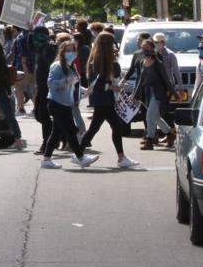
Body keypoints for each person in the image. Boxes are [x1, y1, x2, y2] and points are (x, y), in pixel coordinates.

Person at [39, 37, 100, 170]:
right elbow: (51, 83)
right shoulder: (57, 66)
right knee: (71, 131)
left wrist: (86, 90)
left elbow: (74, 86)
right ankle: (80, 157)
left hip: (66, 104)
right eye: (68, 51)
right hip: (57, 104)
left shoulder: (72, 67)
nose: (71, 53)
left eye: (73, 50)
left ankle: (46, 159)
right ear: (62, 52)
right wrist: (65, 81)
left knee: (56, 133)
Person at [80, 32, 137, 169]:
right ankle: (120, 158)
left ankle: (79, 153)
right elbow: (97, 84)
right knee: (112, 127)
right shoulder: (99, 60)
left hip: (104, 100)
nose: (114, 46)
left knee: (98, 128)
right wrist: (112, 87)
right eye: (112, 44)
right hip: (103, 100)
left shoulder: (101, 59)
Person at [131, 39, 173, 151]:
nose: (145, 50)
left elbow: (166, 79)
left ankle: (149, 140)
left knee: (149, 116)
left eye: (147, 48)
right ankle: (170, 133)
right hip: (147, 92)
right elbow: (141, 80)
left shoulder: (158, 62)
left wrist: (174, 93)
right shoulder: (142, 62)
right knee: (156, 117)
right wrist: (135, 95)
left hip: (158, 93)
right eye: (143, 48)